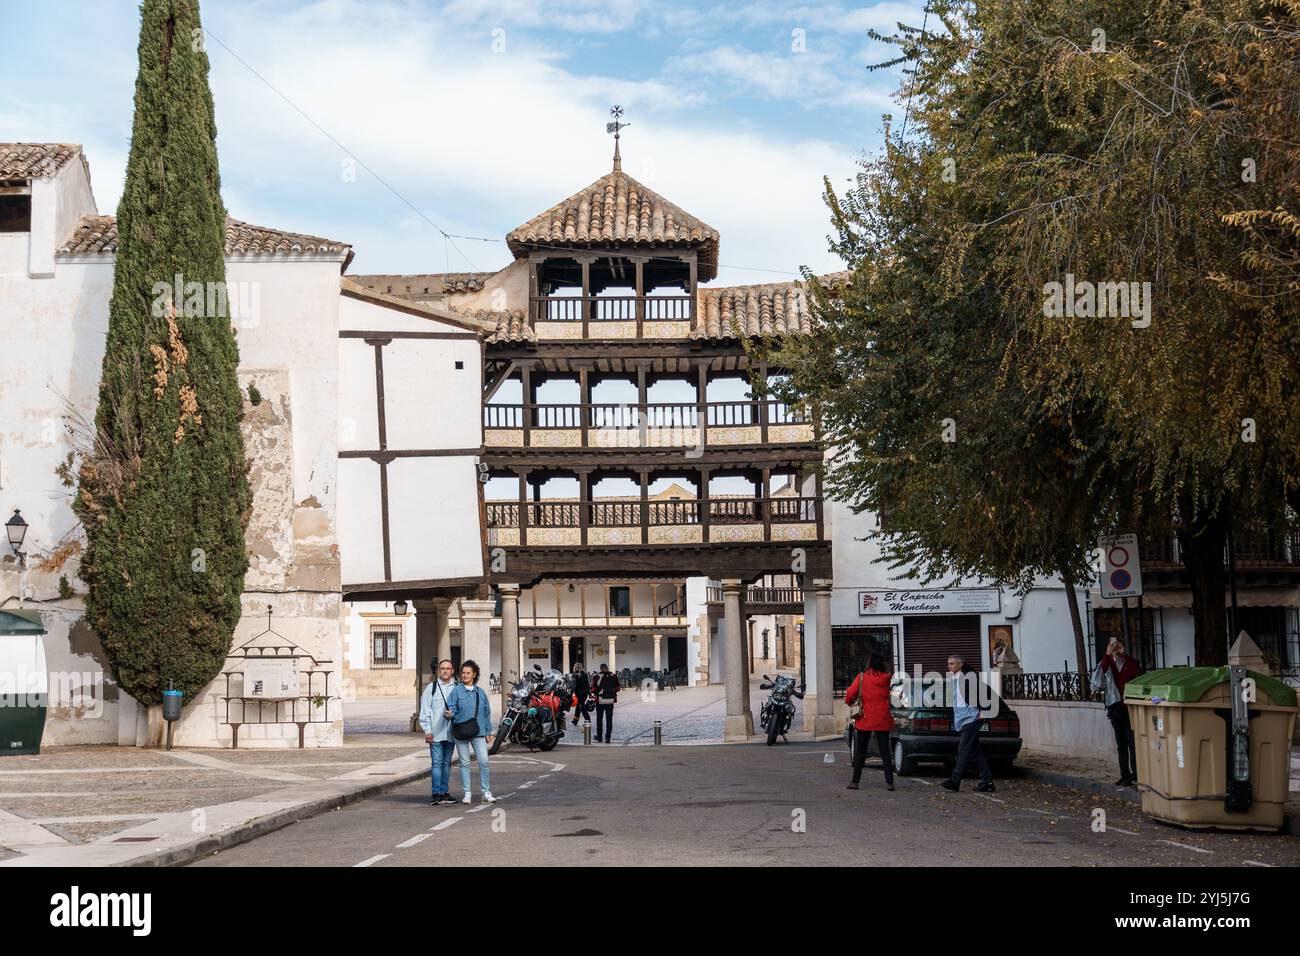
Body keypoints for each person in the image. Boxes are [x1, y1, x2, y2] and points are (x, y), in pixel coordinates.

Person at [941, 654, 995, 793]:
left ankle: (955, 780)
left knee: (963, 750)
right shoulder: (955, 677)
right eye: (948, 663)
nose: (949, 666)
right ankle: (987, 781)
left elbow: (983, 692)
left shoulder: (969, 677)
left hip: (971, 717)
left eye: (952, 663)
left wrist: (983, 710)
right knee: (976, 752)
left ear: (960, 664)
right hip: (962, 717)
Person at [1092, 637, 1141, 787]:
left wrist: (1124, 653)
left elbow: (1138, 673)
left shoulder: (1129, 662)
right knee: (1121, 744)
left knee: (1132, 742)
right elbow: (1097, 682)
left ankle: (1136, 775)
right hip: (1114, 708)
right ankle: (1124, 774)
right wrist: (1107, 655)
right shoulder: (1105, 663)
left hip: (1128, 707)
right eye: (1113, 646)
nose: (1115, 649)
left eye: (1118, 646)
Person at [446, 659, 496, 804]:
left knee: (484, 761)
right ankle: (467, 792)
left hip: (478, 731)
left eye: (468, 673)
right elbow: (452, 708)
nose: (465, 675)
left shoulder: (480, 692)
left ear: (474, 674)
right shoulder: (456, 691)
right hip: (460, 731)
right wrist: (450, 714)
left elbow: (486, 713)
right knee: (464, 762)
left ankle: (486, 791)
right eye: (463, 673)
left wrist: (488, 731)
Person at [844, 653, 895, 791]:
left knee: (860, 751)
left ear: (869, 663)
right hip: (883, 718)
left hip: (865, 718)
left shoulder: (862, 677)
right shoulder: (888, 678)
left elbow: (850, 694)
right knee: (885, 752)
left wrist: (850, 702)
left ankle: (855, 782)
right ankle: (890, 782)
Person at [418, 658, 458, 806]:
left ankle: (444, 792)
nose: (445, 671)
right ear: (439, 671)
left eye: (448, 668)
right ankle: (436, 794)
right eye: (443, 668)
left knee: (447, 763)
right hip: (435, 733)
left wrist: (453, 714)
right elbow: (425, 711)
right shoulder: (431, 688)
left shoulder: (457, 687)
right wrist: (427, 730)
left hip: (451, 733)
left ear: (452, 670)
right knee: (436, 763)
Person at [592, 662, 620, 744]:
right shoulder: (614, 676)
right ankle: (608, 738)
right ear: (607, 668)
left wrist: (597, 692)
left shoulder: (597, 677)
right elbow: (618, 688)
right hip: (610, 700)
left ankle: (599, 737)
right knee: (609, 720)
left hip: (600, 701)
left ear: (600, 669)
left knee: (599, 719)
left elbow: (593, 688)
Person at [570, 662, 591, 727]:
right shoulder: (585, 674)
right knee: (579, 706)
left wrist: (570, 694)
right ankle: (575, 721)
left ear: (575, 667)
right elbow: (588, 684)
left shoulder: (574, 674)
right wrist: (589, 693)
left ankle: (587, 720)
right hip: (584, 693)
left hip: (578, 693)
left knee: (582, 707)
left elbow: (573, 685)